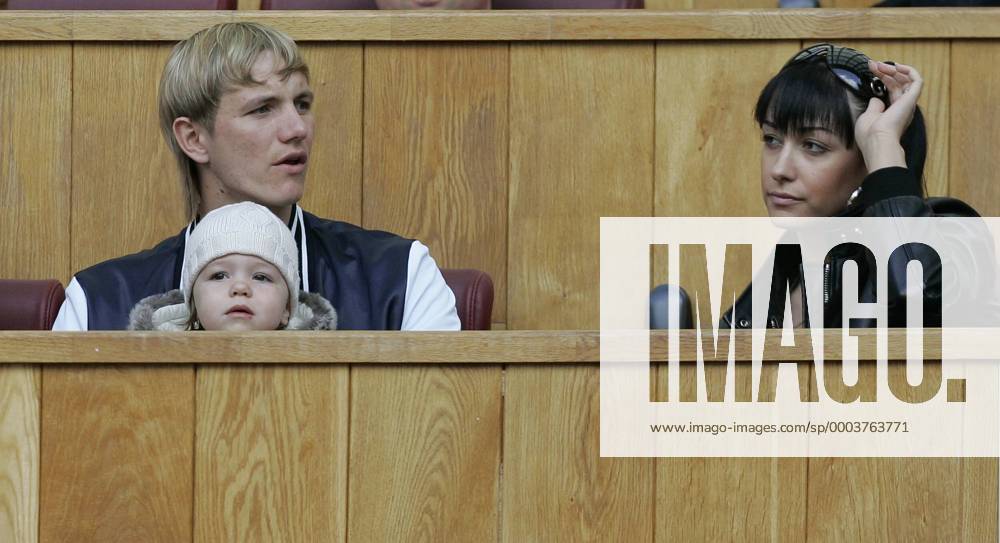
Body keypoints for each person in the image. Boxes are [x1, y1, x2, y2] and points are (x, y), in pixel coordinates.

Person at [52, 22, 460, 331]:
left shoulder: (400, 277)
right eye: (262, 109)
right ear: (194, 138)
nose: (297, 129)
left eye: (302, 104)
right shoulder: (97, 303)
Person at [722, 42, 984, 330]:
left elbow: (920, 299)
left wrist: (883, 141)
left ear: (867, 160)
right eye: (772, 139)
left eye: (813, 146)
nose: (779, 170)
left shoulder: (950, 233)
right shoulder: (783, 267)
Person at [129, 202, 337, 331]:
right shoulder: (153, 365)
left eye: (261, 277)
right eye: (219, 275)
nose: (240, 288)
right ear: (193, 305)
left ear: (287, 309)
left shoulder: (319, 367)